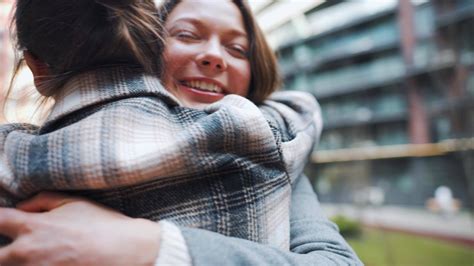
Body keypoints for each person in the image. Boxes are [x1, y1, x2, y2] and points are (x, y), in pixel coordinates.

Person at [0, 0, 362, 264]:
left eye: (237, 48)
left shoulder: (271, 152)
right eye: (188, 35)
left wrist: (152, 245)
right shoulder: (42, 152)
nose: (214, 56)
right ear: (143, 46)